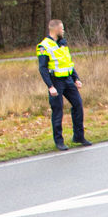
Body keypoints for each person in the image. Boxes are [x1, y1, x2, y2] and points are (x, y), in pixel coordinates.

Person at [37, 19, 91, 151]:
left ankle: (78, 136)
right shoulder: (44, 46)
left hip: (68, 80)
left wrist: (76, 78)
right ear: (55, 30)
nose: (63, 31)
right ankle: (59, 141)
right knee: (58, 110)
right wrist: (50, 86)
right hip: (55, 82)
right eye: (62, 29)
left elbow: (68, 63)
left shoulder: (63, 43)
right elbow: (43, 68)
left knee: (78, 105)